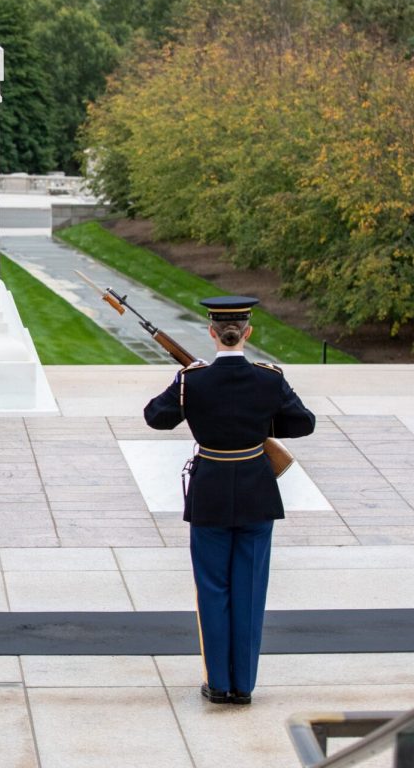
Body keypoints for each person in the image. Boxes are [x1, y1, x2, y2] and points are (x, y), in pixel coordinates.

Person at [143, 295, 314, 705]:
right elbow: (303, 423)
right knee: (250, 590)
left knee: (213, 590)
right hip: (257, 493)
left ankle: (217, 683)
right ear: (248, 333)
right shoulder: (269, 379)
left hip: (211, 495)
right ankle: (244, 687)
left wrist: (189, 385)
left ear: (212, 332)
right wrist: (260, 420)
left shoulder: (193, 381)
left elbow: (156, 416)